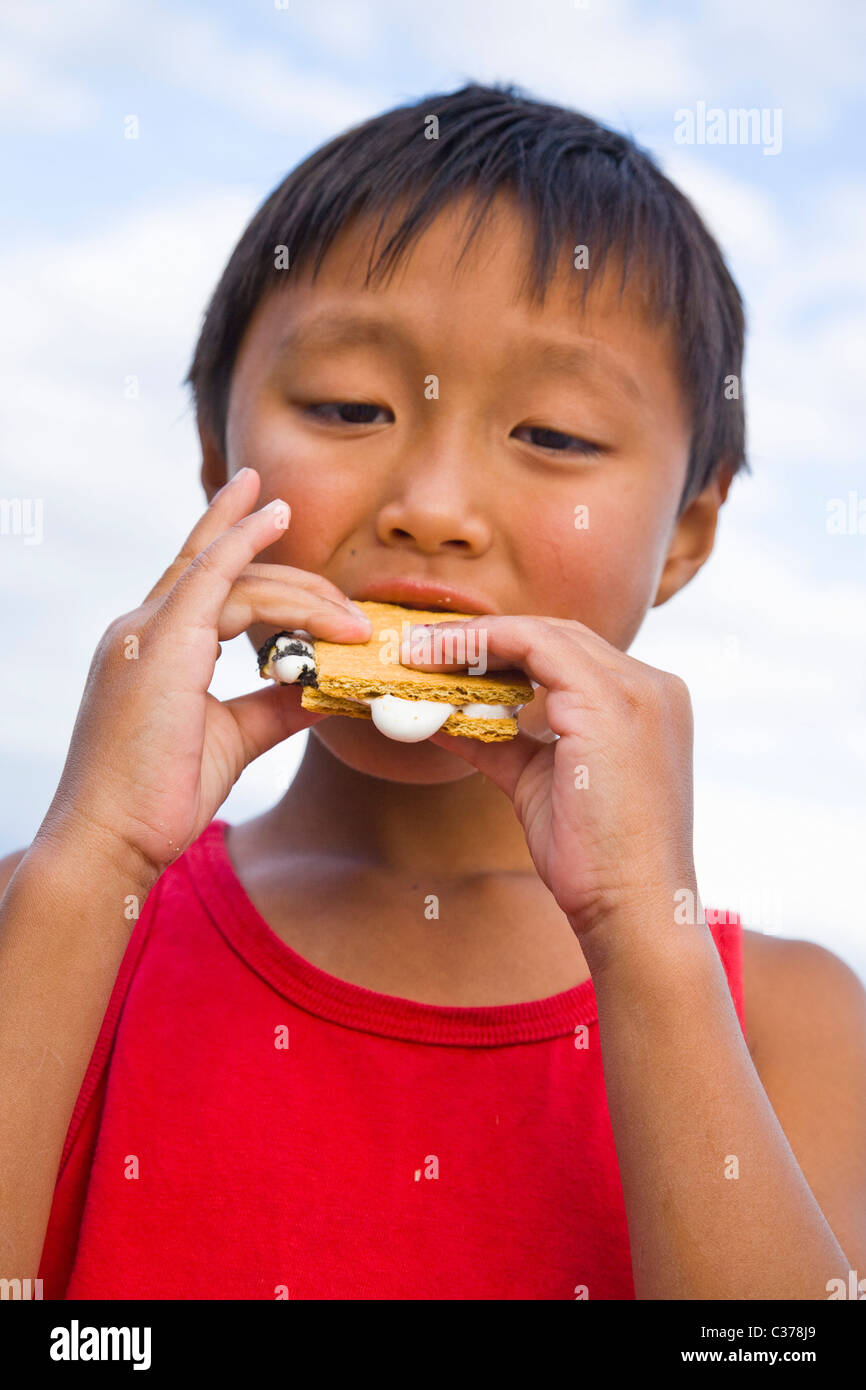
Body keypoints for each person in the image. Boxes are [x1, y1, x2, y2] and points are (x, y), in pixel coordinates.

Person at [2, 82, 865, 1301]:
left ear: (686, 533)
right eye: (348, 407)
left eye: (555, 435)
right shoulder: (52, 924)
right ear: (219, 466)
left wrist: (643, 941)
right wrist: (90, 861)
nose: (433, 504)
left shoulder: (784, 1019)